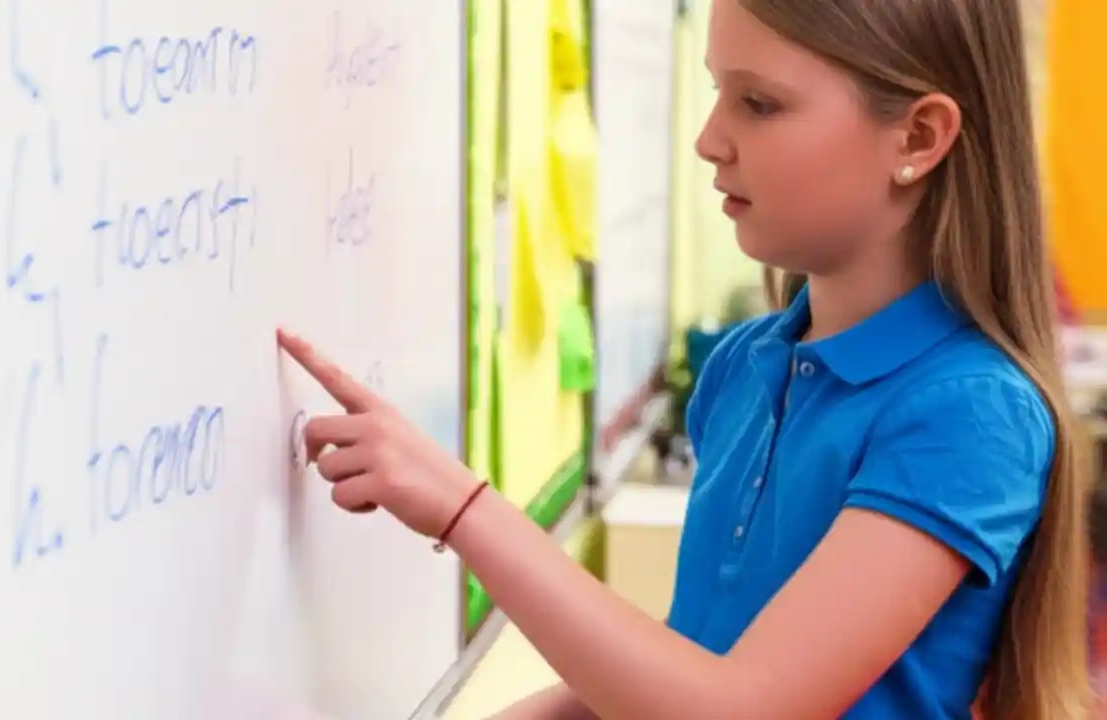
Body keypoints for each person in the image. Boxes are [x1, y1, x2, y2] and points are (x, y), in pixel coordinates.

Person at [277, 0, 1091, 717]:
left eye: (759, 103)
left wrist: (465, 510)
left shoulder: (969, 411)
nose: (709, 141)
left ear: (918, 136)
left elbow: (740, 706)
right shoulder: (743, 367)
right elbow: (695, 656)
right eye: (716, 92)